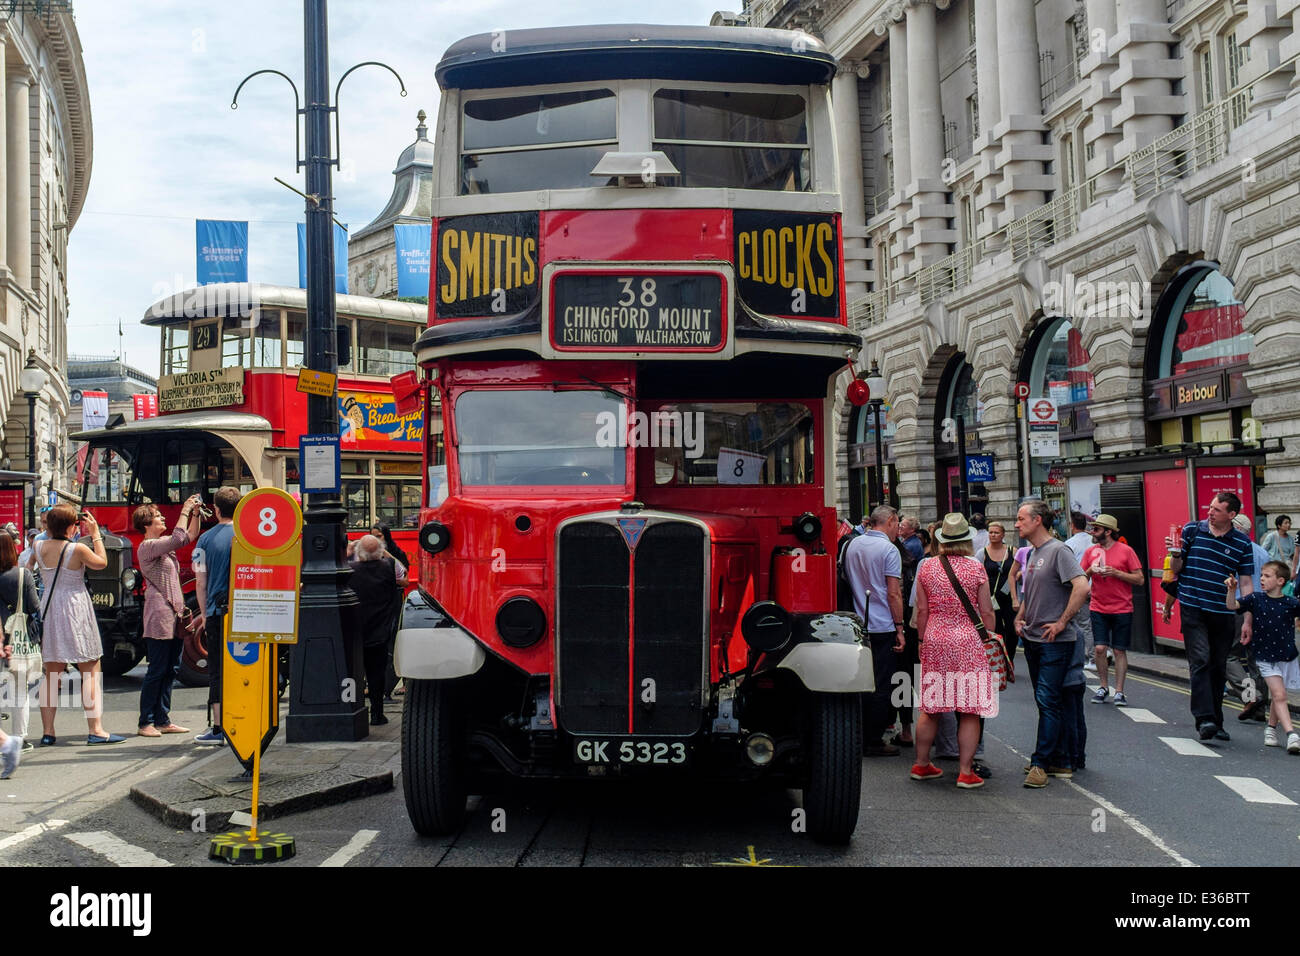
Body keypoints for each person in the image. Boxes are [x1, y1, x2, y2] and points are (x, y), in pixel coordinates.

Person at [909, 513, 998, 789]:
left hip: (935, 638)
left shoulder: (927, 567)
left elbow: (922, 610)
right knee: (970, 709)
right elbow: (985, 610)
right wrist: (990, 637)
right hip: (970, 640)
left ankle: (922, 765)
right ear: (967, 540)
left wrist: (922, 641)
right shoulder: (976, 568)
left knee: (931, 706)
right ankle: (965, 771)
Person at [1165, 491, 1256, 741]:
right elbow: (1176, 570)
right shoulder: (1192, 530)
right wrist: (1175, 554)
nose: (1210, 512)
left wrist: (1248, 619)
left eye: (1216, 510)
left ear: (1231, 515)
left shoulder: (1242, 544)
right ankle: (1204, 718)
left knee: (1218, 667)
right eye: (1211, 507)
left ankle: (1216, 720)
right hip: (1193, 606)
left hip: (1224, 612)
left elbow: (1247, 584)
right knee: (1201, 661)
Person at [1015, 498, 1090, 788]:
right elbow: (1031, 592)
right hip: (1033, 638)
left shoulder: (1059, 550)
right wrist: (1021, 615)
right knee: (1046, 700)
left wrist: (1062, 622)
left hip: (1054, 642)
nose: (1017, 523)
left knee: (1047, 700)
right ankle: (1060, 760)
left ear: (1037, 521)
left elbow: (1082, 586)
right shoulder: (1033, 552)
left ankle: (1040, 764)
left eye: (1022, 518)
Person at [36, 504, 121, 745]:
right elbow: (102, 562)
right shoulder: (78, 549)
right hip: (75, 607)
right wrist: (95, 534)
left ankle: (48, 732)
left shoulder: (38, 545)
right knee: (90, 669)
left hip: (50, 608)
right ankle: (96, 730)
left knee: (51, 674)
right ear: (72, 526)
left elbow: (31, 566)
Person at [133, 497, 203, 738]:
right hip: (160, 614)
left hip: (173, 614)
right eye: (159, 516)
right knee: (158, 669)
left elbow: (188, 536)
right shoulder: (148, 546)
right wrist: (184, 509)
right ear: (147, 523)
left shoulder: (162, 545)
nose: (163, 518)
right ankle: (146, 722)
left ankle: (163, 719)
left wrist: (194, 514)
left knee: (171, 668)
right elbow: (178, 537)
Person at [843, 504, 906, 756]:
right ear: (889, 520)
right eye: (897, 524)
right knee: (881, 684)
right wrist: (900, 627)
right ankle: (873, 739)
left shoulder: (852, 545)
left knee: (858, 682)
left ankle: (857, 733)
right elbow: (894, 592)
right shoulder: (889, 549)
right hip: (881, 625)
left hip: (856, 622)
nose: (898, 529)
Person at [1226, 561, 1300, 753]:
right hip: (1265, 657)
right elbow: (1231, 605)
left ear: (1280, 581)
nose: (1262, 579)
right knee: (1280, 695)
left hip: (1287, 657)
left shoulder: (1292, 603)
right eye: (1262, 575)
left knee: (1278, 695)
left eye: (1267, 576)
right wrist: (1232, 590)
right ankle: (1292, 734)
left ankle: (1270, 729)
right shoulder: (1256, 599)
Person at [192, 487, 242, 745]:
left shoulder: (204, 540)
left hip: (216, 612)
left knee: (218, 671)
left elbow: (201, 582)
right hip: (246, 612)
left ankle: (219, 728)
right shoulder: (248, 535)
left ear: (218, 509)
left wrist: (204, 613)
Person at [1081, 514, 1144, 706]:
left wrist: (1116, 573)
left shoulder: (1126, 551)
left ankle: (1119, 691)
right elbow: (1080, 578)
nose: (1093, 532)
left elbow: (1140, 579)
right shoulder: (1090, 551)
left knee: (1119, 651)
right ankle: (1102, 686)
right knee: (1100, 648)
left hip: (1122, 607)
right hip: (1098, 606)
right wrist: (1091, 571)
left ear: (1108, 532)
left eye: (1097, 529)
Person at [349, 535, 401, 725]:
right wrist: (381, 550)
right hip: (379, 631)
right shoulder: (387, 567)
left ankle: (353, 710)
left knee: (353, 673)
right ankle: (377, 714)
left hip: (354, 632)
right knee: (376, 674)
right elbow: (401, 571)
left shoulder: (350, 570)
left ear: (359, 554)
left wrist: (348, 553)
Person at [0, 533, 41, 754]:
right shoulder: (23, 575)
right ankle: (19, 738)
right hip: (19, 640)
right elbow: (35, 608)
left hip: (0, 635)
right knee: (20, 690)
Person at [976, 521, 1017, 662]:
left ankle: (1009, 659)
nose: (993, 535)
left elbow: (1020, 571)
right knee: (996, 630)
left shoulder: (1013, 551)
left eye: (996, 532)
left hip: (1010, 596)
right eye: (991, 532)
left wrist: (1009, 586)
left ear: (1003, 534)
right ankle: (999, 659)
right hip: (991, 599)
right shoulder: (982, 553)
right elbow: (977, 574)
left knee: (1012, 630)